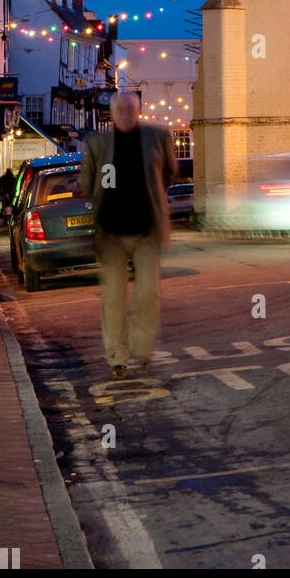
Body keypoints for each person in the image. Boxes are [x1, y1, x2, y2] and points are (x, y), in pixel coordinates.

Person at [80, 92, 177, 381]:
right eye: (119, 109)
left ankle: (144, 351)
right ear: (111, 113)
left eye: (130, 109)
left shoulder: (157, 137)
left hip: (147, 230)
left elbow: (169, 174)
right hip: (111, 234)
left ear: (139, 111)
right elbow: (87, 183)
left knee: (148, 294)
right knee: (113, 298)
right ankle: (117, 358)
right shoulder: (96, 143)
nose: (124, 113)